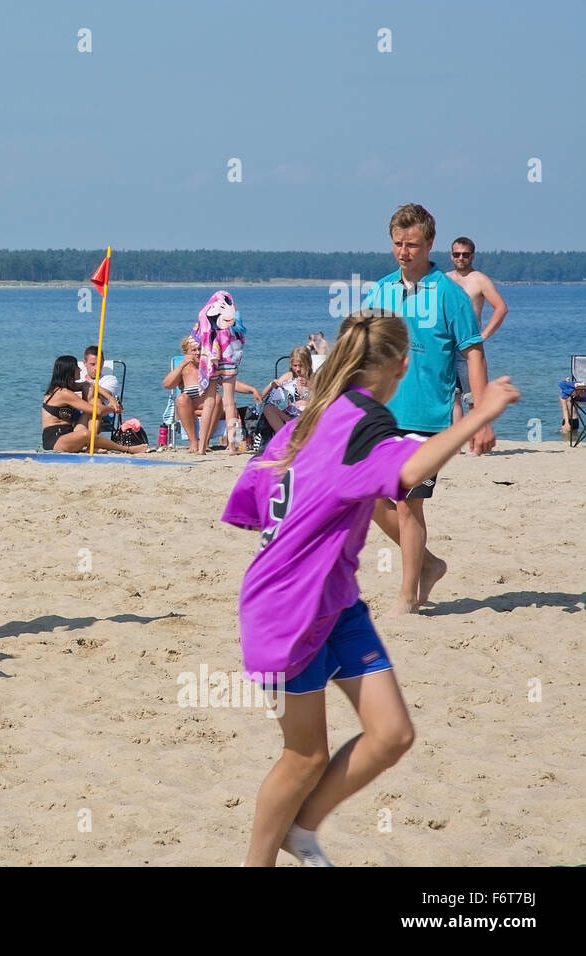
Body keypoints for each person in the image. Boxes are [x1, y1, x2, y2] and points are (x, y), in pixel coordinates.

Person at [222, 309, 520, 866]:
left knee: (392, 734)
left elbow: (255, 497)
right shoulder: (360, 423)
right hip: (287, 608)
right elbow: (408, 474)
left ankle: (301, 831)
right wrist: (480, 412)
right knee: (305, 756)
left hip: (334, 600)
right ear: (404, 365)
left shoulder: (313, 417)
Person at [363, 204, 493, 615]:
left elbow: (473, 353)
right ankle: (430, 564)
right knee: (369, 501)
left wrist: (480, 418)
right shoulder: (380, 291)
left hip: (428, 417)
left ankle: (407, 599)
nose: (404, 252)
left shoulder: (450, 294)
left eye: (412, 245)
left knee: (408, 503)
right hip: (381, 415)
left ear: (429, 243)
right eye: (398, 244)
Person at [446, 237, 509, 422]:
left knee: (474, 398)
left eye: (465, 254)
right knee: (453, 397)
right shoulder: (445, 279)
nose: (461, 258)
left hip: (469, 346)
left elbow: (501, 308)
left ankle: (476, 443)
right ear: (451, 256)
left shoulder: (480, 280)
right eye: (457, 254)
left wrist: (483, 335)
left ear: (472, 256)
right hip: (447, 345)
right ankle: (457, 446)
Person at [41, 356, 147, 453]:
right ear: (69, 371)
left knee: (93, 407)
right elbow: (99, 411)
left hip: (69, 433)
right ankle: (127, 449)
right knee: (87, 431)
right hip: (55, 439)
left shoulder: (66, 387)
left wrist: (111, 398)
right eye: (77, 368)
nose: (80, 370)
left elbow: (91, 385)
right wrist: (112, 408)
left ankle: (90, 446)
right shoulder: (63, 393)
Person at [193, 290, 246, 454]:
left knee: (209, 402)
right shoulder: (232, 317)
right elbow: (241, 336)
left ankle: (202, 446)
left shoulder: (205, 316)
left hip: (210, 362)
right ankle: (232, 446)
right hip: (229, 361)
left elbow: (196, 337)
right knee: (230, 402)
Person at [258, 346, 314, 434]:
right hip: (290, 416)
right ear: (291, 365)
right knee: (268, 408)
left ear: (308, 363)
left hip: (308, 416)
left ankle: (286, 436)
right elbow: (260, 397)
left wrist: (310, 385)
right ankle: (284, 439)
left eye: (301, 365)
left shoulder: (314, 377)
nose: (298, 369)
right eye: (295, 366)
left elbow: (327, 395)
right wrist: (271, 385)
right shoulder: (289, 376)